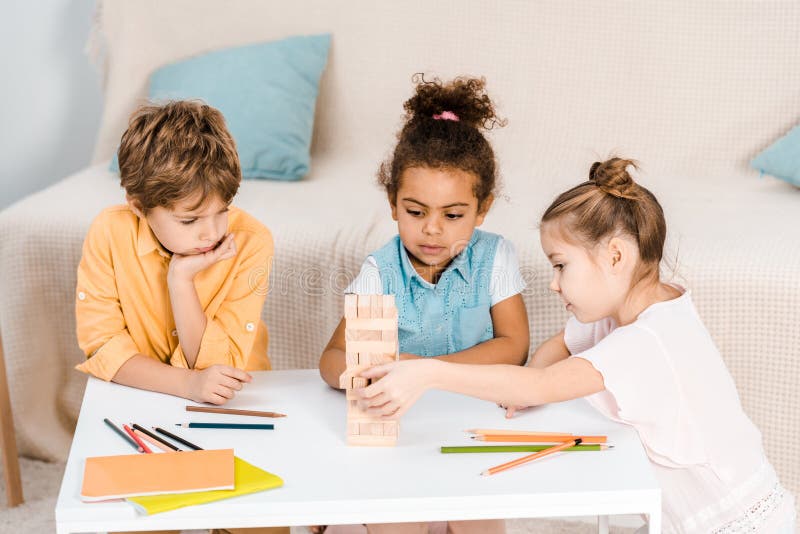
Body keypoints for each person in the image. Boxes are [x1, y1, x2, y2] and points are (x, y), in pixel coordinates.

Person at [357, 158, 796, 533]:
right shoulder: (641, 308)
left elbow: (543, 383)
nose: (553, 283)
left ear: (616, 256)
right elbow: (558, 350)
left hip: (738, 523)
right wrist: (527, 385)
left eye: (561, 265)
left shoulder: (646, 343)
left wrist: (428, 372)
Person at [320, 76, 530, 534]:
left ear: (483, 209)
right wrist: (376, 369)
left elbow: (514, 346)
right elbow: (331, 360)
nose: (433, 230)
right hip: (404, 428)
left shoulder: (496, 258)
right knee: (397, 519)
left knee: (478, 523)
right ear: (393, 203)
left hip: (474, 422)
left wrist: (430, 371)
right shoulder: (380, 272)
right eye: (416, 212)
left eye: (453, 216)